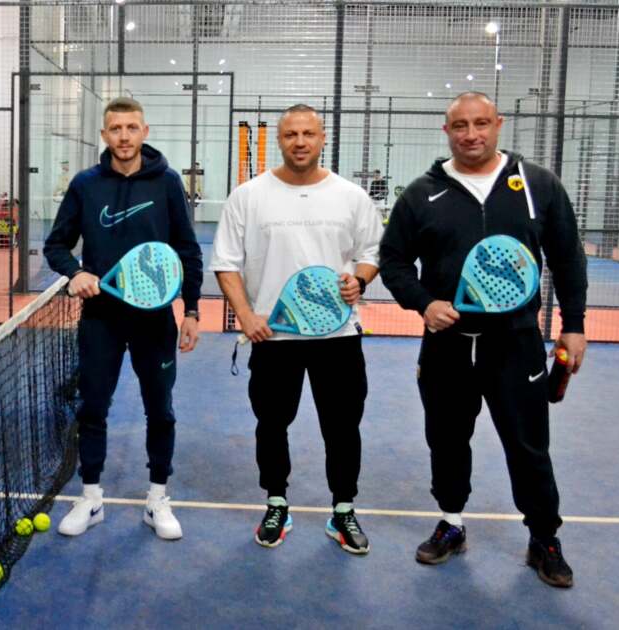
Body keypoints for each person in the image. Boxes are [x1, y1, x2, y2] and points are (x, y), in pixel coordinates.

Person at [379, 91, 588, 587]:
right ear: (445, 131)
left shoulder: (537, 185)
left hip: (515, 344)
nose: (471, 134)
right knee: (447, 440)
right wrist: (424, 303)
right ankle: (451, 523)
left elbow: (567, 255)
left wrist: (574, 324)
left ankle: (544, 540)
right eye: (460, 126)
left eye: (481, 123)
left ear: (498, 124)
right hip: (447, 344)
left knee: (529, 445)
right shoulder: (420, 193)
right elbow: (393, 261)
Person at [209, 104, 383, 555]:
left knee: (343, 427)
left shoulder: (351, 196)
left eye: (308, 133)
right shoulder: (248, 196)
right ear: (279, 139)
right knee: (271, 424)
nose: (300, 141)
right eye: (290, 134)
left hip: (338, 338)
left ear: (323, 138)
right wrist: (246, 317)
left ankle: (343, 510)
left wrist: (359, 279)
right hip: (273, 338)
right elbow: (226, 264)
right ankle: (276, 502)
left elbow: (371, 253)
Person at [43, 96, 203, 540]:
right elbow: (56, 245)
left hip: (155, 321)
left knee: (161, 410)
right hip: (101, 318)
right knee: (93, 406)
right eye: (116, 129)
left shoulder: (168, 183)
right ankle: (91, 496)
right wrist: (75, 273)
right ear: (104, 135)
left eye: (132, 128)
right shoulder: (85, 184)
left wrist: (191, 309)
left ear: (144, 132)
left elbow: (188, 250)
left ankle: (157, 498)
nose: (124, 136)